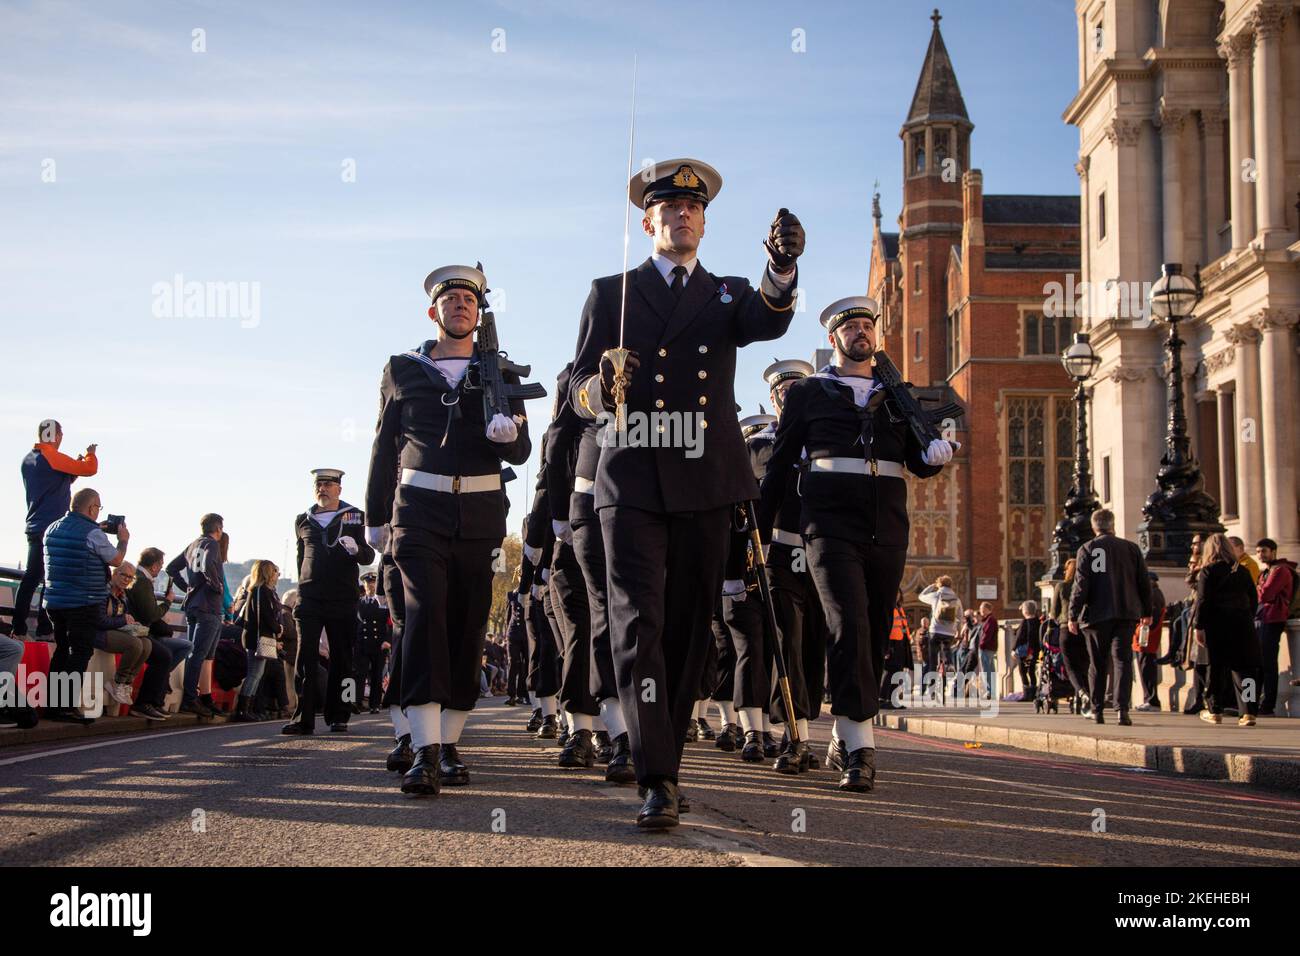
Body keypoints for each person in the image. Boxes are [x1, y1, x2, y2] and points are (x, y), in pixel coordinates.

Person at [567, 159, 803, 827]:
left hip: (705, 480)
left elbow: (769, 318)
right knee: (638, 624)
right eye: (668, 209)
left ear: (704, 222)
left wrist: (782, 268)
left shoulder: (726, 295)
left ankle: (664, 755)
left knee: (687, 629)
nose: (681, 216)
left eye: (692, 209)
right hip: (633, 477)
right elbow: (577, 390)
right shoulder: (610, 292)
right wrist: (599, 386)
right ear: (649, 222)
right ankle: (658, 773)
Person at [757, 294, 953, 793]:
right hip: (828, 526)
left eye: (867, 325)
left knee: (874, 633)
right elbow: (779, 467)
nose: (861, 332)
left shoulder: (897, 395)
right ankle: (861, 748)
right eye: (851, 327)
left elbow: (918, 460)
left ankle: (846, 733)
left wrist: (937, 453)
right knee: (848, 623)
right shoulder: (809, 395)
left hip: (886, 526)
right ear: (833, 339)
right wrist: (757, 533)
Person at [364, 264, 532, 796]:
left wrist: (508, 440)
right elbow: (383, 446)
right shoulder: (402, 370)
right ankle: (424, 748)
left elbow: (523, 452)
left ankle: (450, 740)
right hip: (417, 512)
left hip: (480, 516)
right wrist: (375, 519)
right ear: (432, 311)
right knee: (423, 616)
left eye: (468, 299)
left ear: (479, 313)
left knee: (465, 626)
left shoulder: (500, 373)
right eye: (450, 298)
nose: (459, 305)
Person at [755, 359, 827, 773]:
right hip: (779, 552)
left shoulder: (821, 436)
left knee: (814, 644)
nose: (788, 394)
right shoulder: (762, 445)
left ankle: (807, 729)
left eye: (796, 387)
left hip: (819, 549)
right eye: (782, 391)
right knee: (787, 642)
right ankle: (792, 734)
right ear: (773, 398)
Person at [283, 468, 375, 735]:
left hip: (343, 597)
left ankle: (340, 714)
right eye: (318, 484)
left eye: (327, 484)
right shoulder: (303, 519)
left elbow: (369, 555)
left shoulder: (356, 516)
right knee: (305, 658)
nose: (322, 488)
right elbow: (301, 560)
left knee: (343, 659)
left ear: (339, 489)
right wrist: (300, 590)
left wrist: (357, 549)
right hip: (310, 597)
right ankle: (303, 717)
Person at [41, 488, 129, 721]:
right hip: (83, 601)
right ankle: (66, 707)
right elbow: (116, 560)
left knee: (61, 650)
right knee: (79, 653)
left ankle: (53, 706)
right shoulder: (92, 534)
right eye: (98, 507)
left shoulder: (52, 528)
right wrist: (123, 540)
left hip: (55, 601)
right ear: (91, 508)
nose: (99, 511)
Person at [12, 420, 98, 638]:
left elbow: (57, 479)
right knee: (49, 579)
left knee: (32, 577)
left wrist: (71, 468)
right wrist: (90, 454)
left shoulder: (30, 459)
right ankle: (42, 628)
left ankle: (19, 626)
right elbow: (90, 469)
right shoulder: (53, 457)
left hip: (34, 524)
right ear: (57, 435)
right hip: (52, 529)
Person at [1067, 509, 1151, 725]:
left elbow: (1081, 585)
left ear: (1094, 527)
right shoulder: (1131, 549)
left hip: (1096, 615)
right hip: (1125, 612)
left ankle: (1097, 710)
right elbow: (1144, 582)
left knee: (1097, 663)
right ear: (1112, 525)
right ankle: (1122, 709)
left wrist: (1073, 614)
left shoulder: (1087, 548)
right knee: (1122, 661)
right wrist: (1147, 611)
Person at [1195, 534, 1262, 726]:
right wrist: (1247, 617)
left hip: (1217, 624)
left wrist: (1199, 626)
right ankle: (1249, 712)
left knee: (1215, 668)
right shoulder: (1241, 571)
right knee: (1246, 670)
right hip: (1242, 624)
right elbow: (1253, 598)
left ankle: (1215, 710)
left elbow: (1202, 601)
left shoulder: (1208, 571)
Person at [166, 513, 226, 717]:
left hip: (193, 605)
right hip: (208, 606)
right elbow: (208, 565)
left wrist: (188, 587)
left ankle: (200, 697)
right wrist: (216, 585)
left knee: (199, 652)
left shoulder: (192, 545)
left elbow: (171, 568)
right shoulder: (212, 544)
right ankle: (190, 699)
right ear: (218, 529)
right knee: (200, 654)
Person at [233, 560, 282, 722]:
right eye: (275, 571)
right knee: (254, 674)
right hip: (257, 637)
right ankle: (242, 709)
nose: (277, 575)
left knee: (257, 674)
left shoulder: (264, 591)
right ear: (268, 573)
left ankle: (249, 707)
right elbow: (266, 616)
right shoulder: (261, 591)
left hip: (259, 636)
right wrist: (278, 628)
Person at [1253, 538, 1296, 717]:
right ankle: (1252, 703)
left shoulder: (1281, 570)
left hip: (1273, 620)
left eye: (1264, 551)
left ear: (1273, 551)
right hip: (1261, 619)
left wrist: (1257, 589)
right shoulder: (1265, 572)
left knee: (1268, 665)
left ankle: (1268, 705)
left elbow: (1266, 594)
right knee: (1257, 665)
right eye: (1258, 552)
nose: (1260, 555)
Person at [354, 571, 390, 715]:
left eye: (373, 582)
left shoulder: (383, 602)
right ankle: (355, 702)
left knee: (376, 675)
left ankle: (374, 704)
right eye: (368, 583)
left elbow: (390, 622)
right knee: (359, 674)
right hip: (362, 642)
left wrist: (387, 640)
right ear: (364, 584)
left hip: (378, 643)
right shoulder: (359, 602)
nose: (371, 585)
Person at [1133, 571, 1166, 711]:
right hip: (1145, 638)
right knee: (1145, 668)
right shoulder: (1154, 593)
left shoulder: (1152, 595)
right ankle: (1149, 698)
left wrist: (1142, 630)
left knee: (1147, 668)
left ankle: (1151, 700)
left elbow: (1153, 617)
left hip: (1146, 638)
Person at [919, 576, 963, 675]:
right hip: (950, 632)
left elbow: (921, 596)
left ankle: (932, 685)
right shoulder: (956, 598)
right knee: (947, 648)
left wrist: (931, 586)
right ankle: (949, 664)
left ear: (939, 584)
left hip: (935, 630)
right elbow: (960, 616)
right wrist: (958, 631)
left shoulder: (936, 595)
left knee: (933, 659)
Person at [1013, 600, 1040, 700]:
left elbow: (1019, 637)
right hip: (1034, 650)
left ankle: (1026, 693)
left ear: (1025, 611)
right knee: (1032, 671)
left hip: (1024, 651)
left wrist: (1013, 649)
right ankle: (1034, 693)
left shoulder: (1025, 622)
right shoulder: (1038, 622)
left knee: (1022, 671)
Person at [976, 602, 999, 701]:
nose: (980, 610)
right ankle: (991, 691)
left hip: (986, 648)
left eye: (982, 608)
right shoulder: (988, 620)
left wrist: (981, 645)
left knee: (987, 671)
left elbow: (987, 635)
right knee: (990, 670)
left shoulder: (990, 620)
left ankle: (990, 691)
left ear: (986, 609)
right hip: (989, 648)